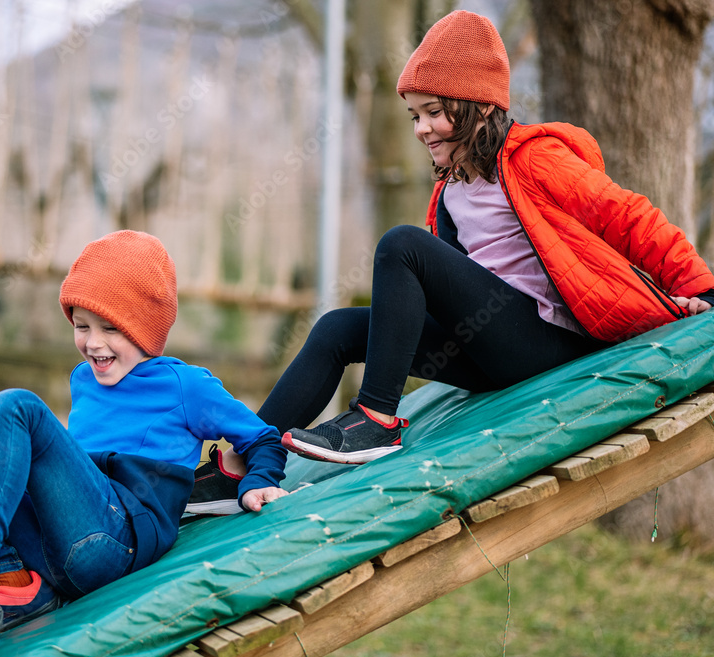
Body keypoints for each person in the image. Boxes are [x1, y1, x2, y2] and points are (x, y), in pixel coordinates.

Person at [260, 10, 714, 465]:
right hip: (489, 345)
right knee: (337, 328)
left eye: (434, 112)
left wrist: (699, 288)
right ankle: (247, 459)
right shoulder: (449, 193)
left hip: (543, 342)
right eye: (414, 115)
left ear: (478, 105)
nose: (421, 129)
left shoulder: (534, 160)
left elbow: (629, 218)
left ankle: (376, 420)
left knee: (402, 245)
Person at [0, 230, 289, 652]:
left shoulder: (185, 386)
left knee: (15, 407)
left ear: (145, 328)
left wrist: (257, 481)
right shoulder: (83, 378)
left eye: (111, 328)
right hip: (58, 539)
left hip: (113, 544)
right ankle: (14, 585)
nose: (92, 343)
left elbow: (263, 438)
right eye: (82, 325)